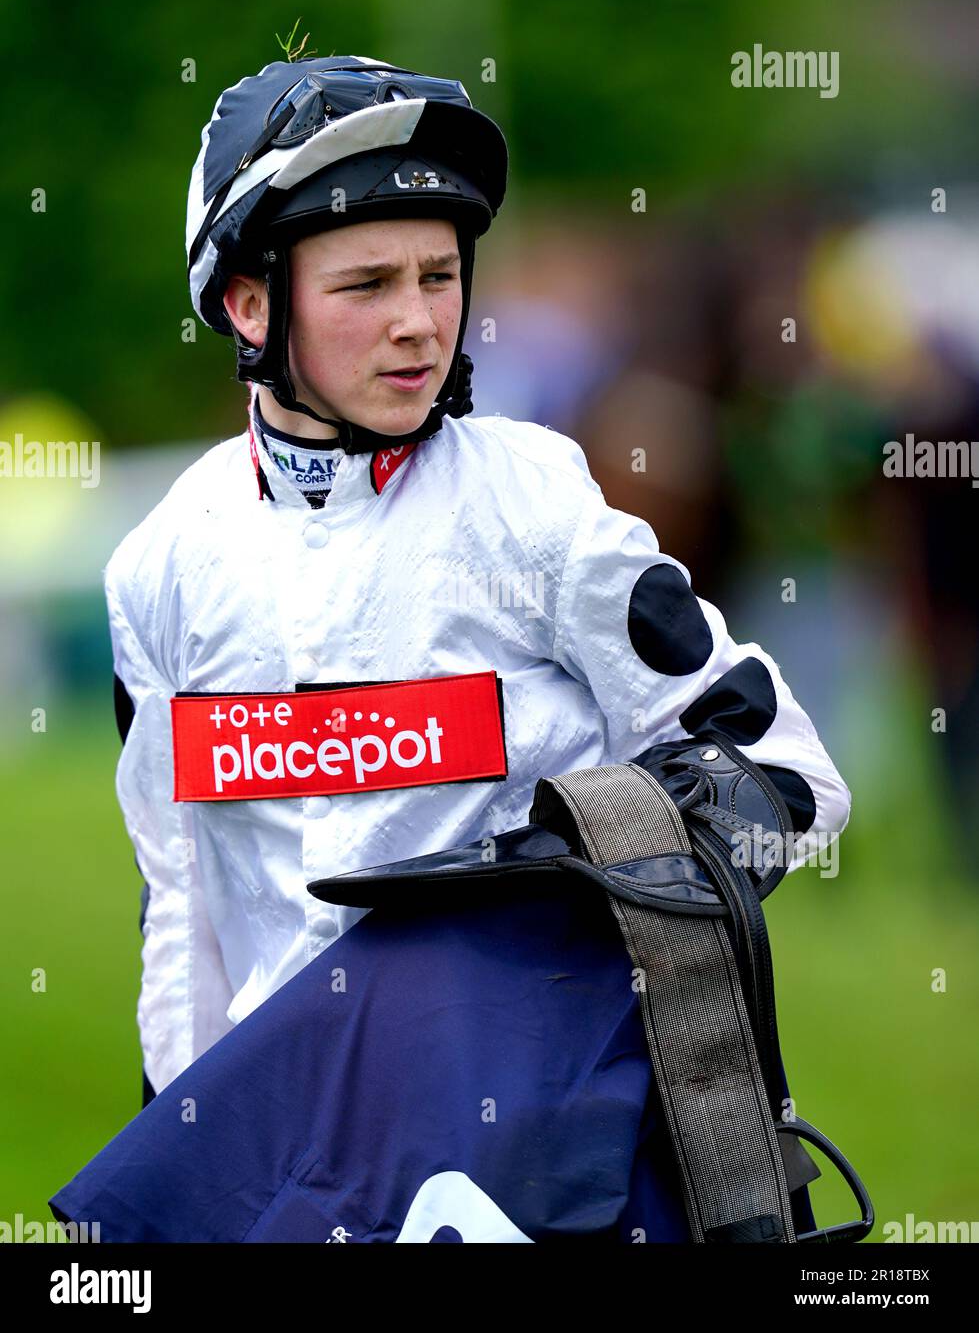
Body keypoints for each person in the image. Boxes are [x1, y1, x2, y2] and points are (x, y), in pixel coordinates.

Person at [105, 55, 851, 1112]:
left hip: (539, 1145)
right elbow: (181, 910)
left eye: (439, 275)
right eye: (366, 285)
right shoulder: (159, 565)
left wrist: (573, 875)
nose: (419, 320)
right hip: (293, 1158)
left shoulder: (535, 506)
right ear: (249, 305)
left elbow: (790, 778)